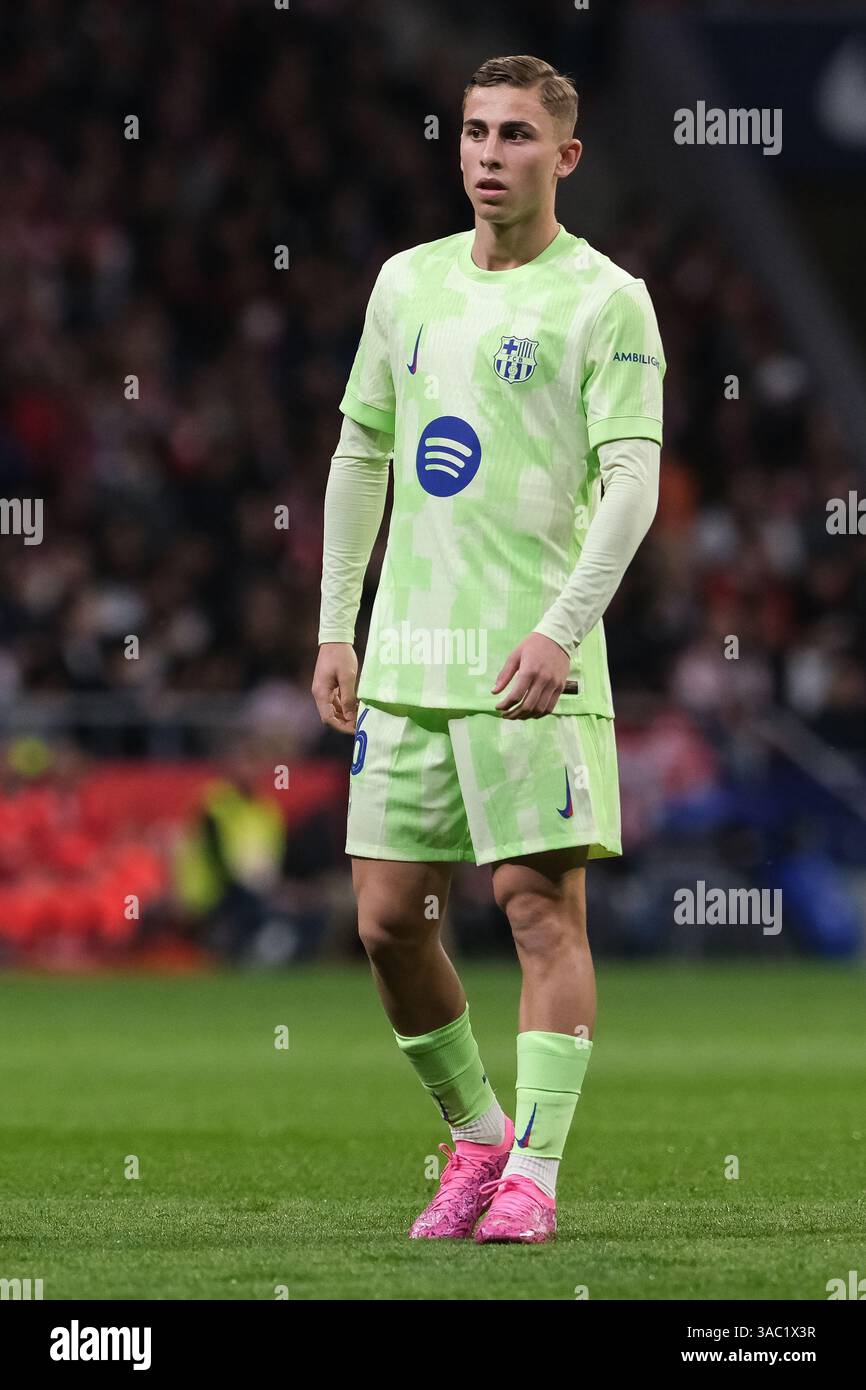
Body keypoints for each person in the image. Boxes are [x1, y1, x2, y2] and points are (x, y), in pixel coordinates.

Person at [312, 54, 665, 1244]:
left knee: (534, 908)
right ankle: (475, 1136)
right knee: (383, 922)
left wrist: (561, 632)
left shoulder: (604, 299)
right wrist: (335, 624)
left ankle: (537, 1176)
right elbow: (361, 455)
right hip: (407, 657)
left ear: (562, 157)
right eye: (471, 131)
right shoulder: (406, 285)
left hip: (530, 666)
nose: (485, 154)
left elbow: (630, 485)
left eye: (514, 134)